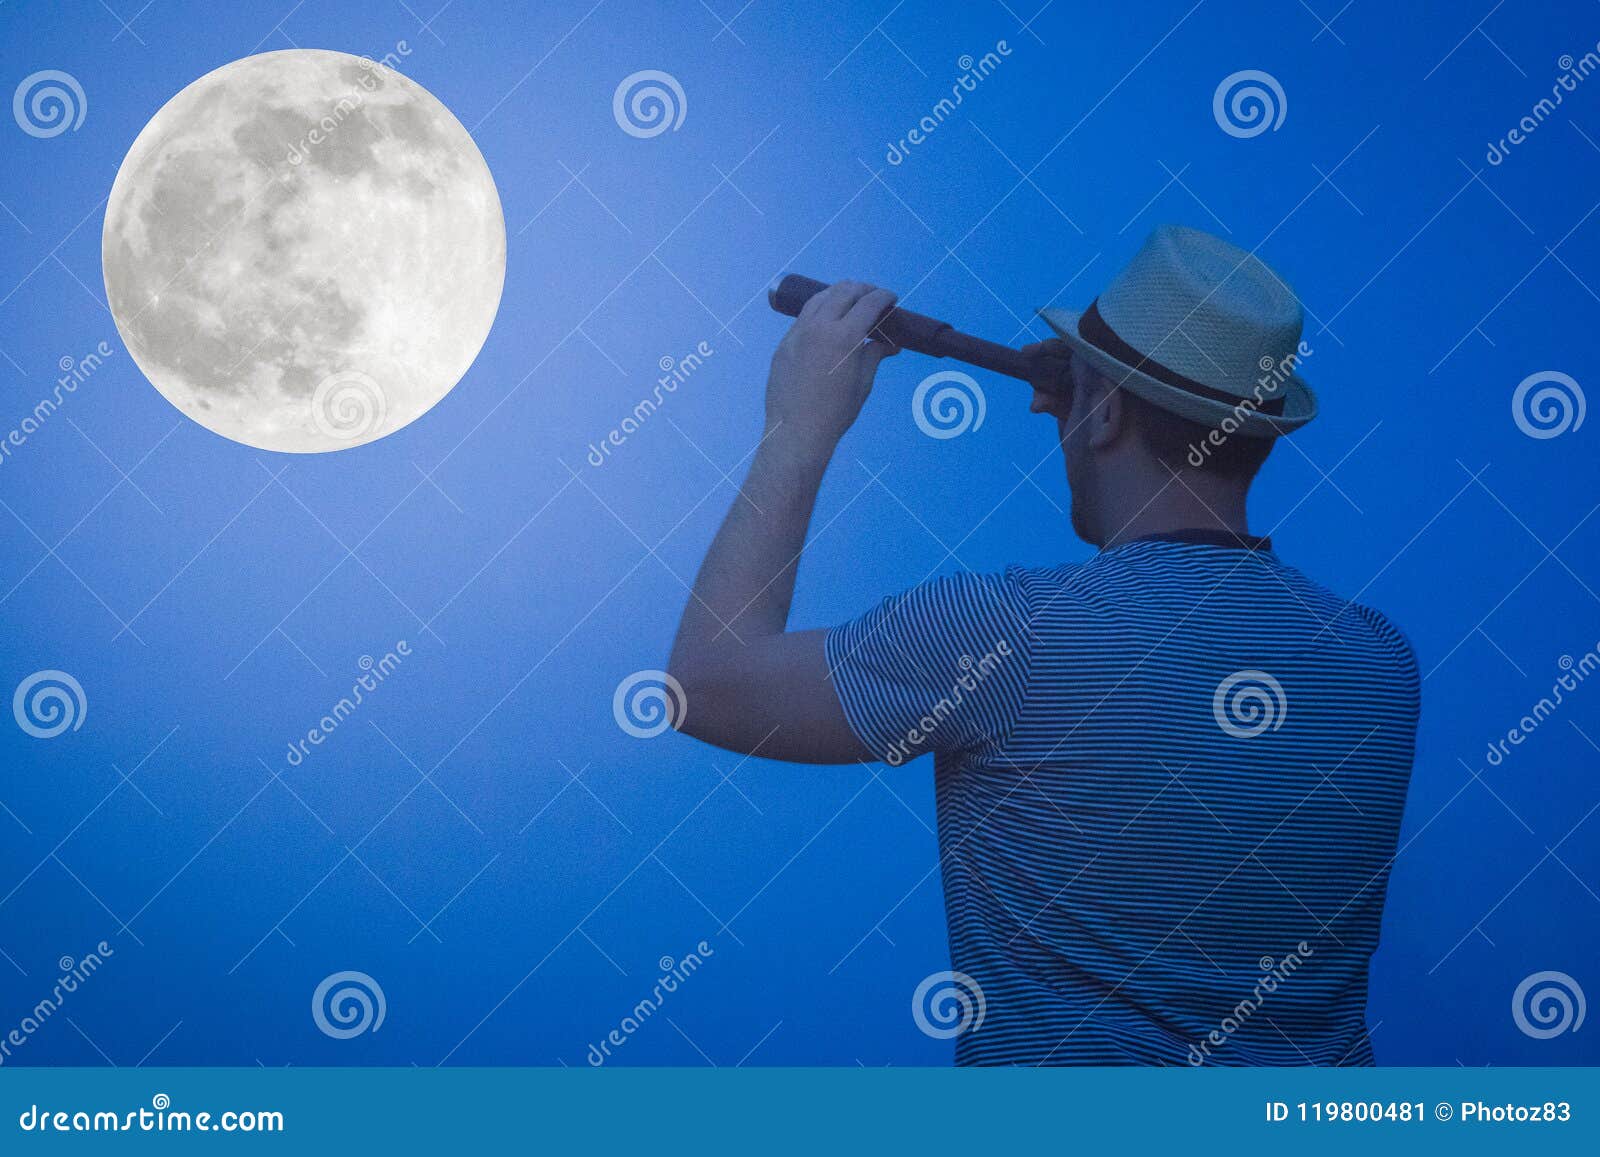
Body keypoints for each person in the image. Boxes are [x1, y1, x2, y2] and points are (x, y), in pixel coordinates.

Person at [666, 224, 1420, 1065]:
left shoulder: (1007, 636)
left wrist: (798, 425)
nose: (1041, 404)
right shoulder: (1378, 662)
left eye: (1072, 386)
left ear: (1102, 413)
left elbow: (704, 681)